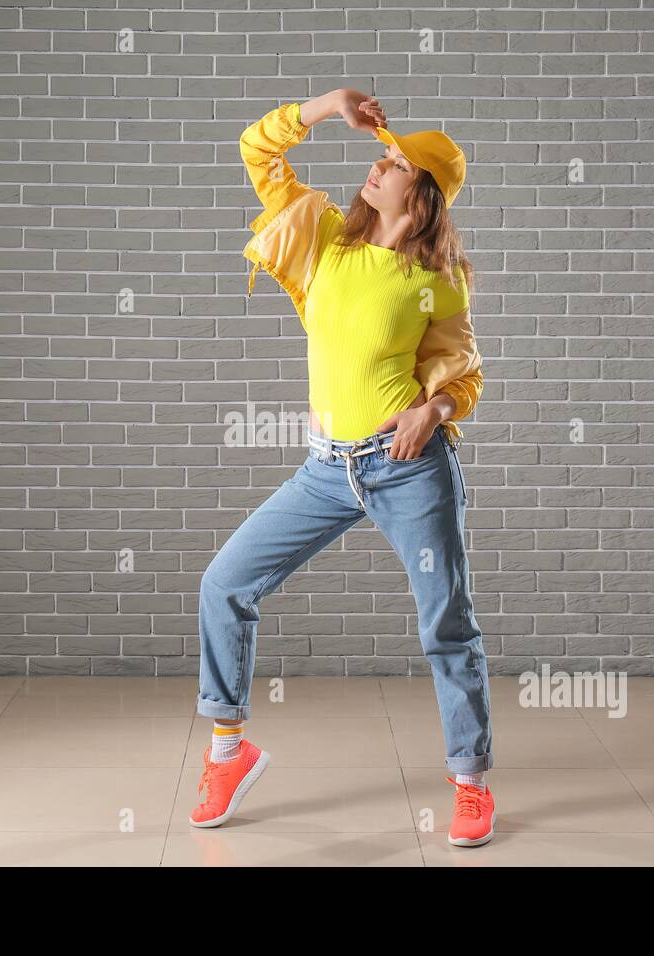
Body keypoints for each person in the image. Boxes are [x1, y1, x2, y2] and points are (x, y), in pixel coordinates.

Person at [191, 89, 494, 848]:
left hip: (409, 468)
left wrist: (433, 412)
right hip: (327, 469)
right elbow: (256, 148)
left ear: (421, 197)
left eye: (392, 164)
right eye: (381, 155)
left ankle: (470, 781)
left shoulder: (438, 278)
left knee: (445, 625)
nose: (377, 166)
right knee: (225, 583)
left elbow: (464, 373)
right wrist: (328, 106)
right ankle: (228, 752)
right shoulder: (324, 236)